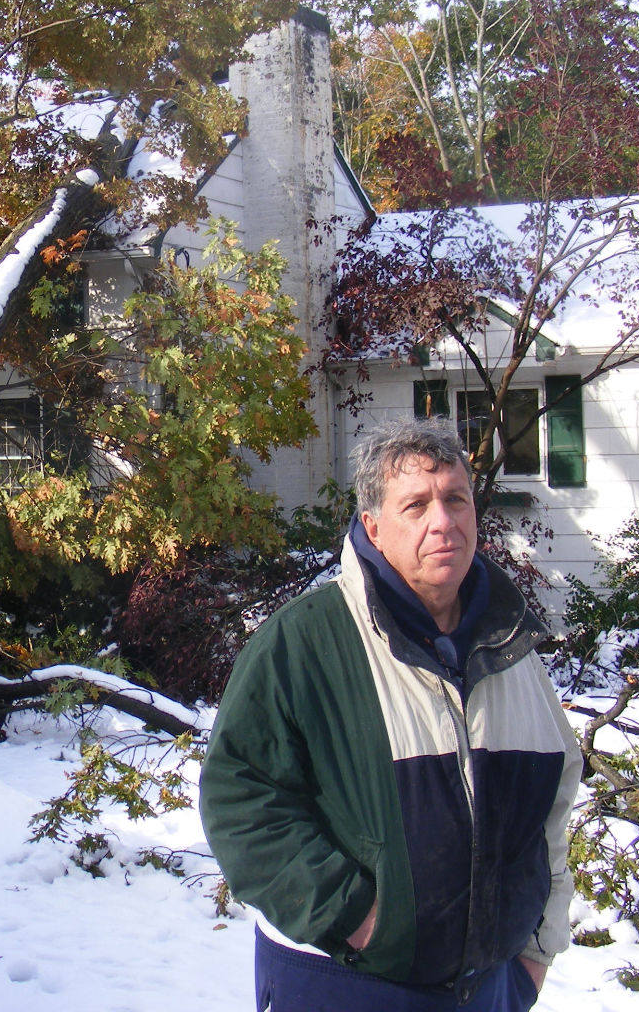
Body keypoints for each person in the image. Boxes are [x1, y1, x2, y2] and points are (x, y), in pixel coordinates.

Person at [200, 418, 581, 1011]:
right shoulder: (305, 644)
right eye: (416, 505)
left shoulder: (510, 648)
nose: (443, 521)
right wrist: (357, 917)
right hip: (344, 981)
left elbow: (551, 803)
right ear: (373, 528)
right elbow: (240, 795)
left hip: (489, 986)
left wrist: (536, 949)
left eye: (456, 499)